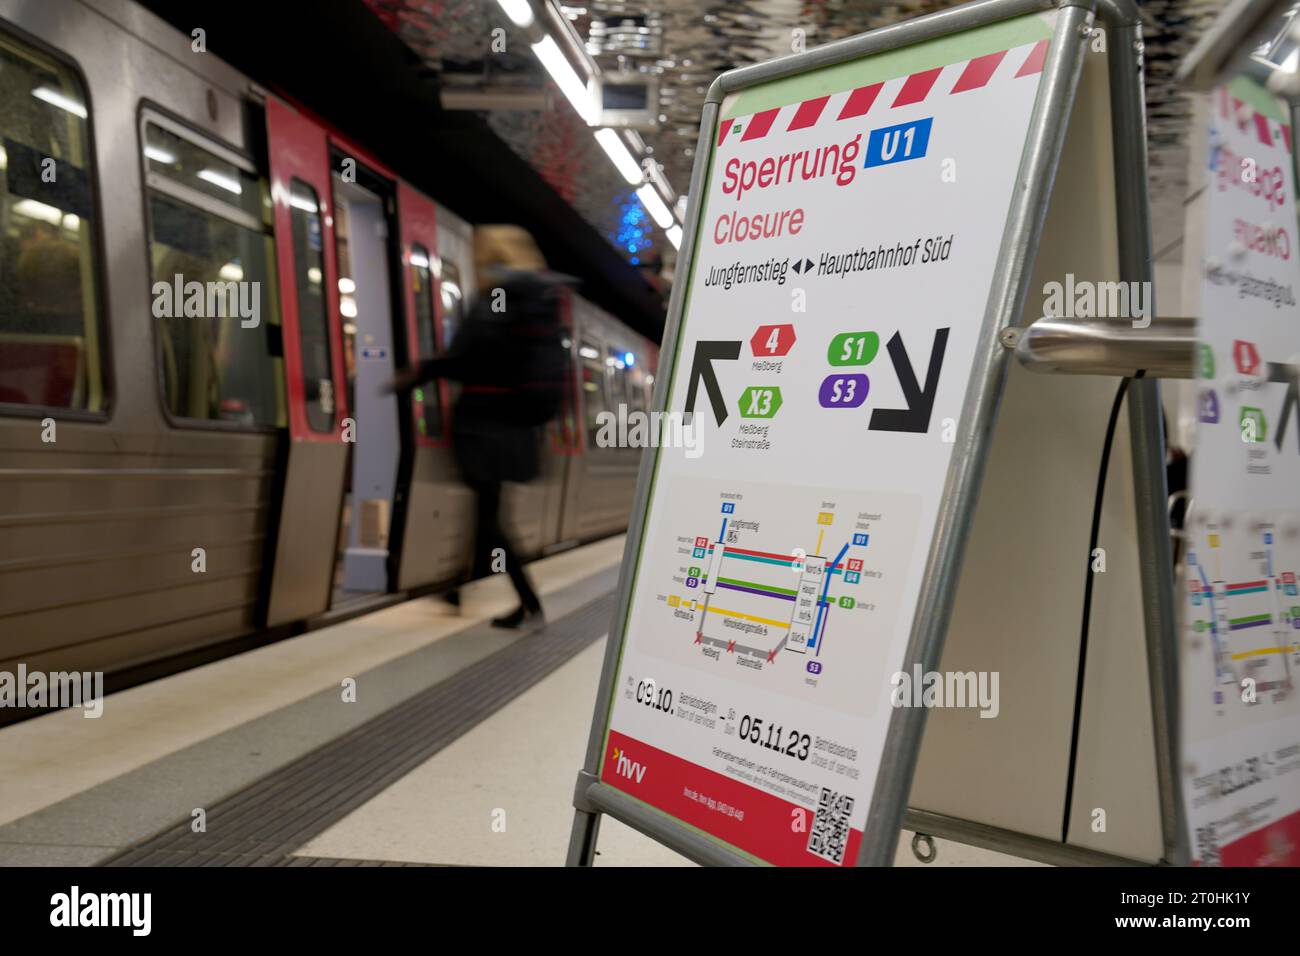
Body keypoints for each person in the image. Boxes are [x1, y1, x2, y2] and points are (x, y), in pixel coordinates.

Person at [388, 225, 569, 629]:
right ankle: (465, 591)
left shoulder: (499, 298)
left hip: (485, 427)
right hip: (512, 429)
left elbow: (466, 356)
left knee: (490, 519)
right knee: (486, 512)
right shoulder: (535, 300)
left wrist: (416, 375)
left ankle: (527, 602)